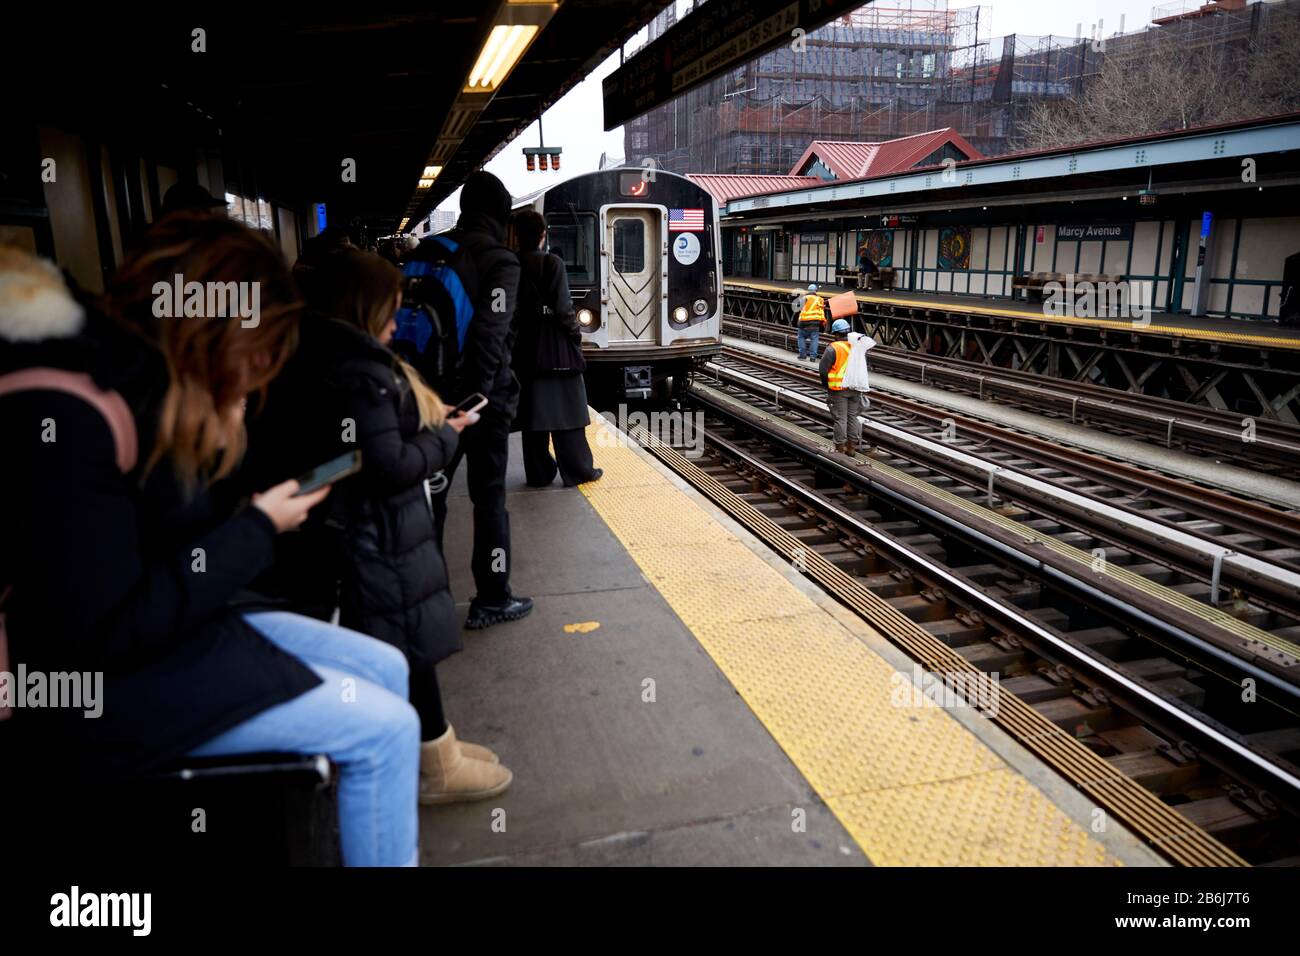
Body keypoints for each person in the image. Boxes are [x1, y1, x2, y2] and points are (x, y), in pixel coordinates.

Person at [0, 224, 420, 867]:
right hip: (82, 691)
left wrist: (247, 511)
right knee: (388, 731)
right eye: (257, 360)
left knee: (388, 669)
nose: (257, 383)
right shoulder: (74, 420)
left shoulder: (129, 378)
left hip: (152, 642)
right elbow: (105, 632)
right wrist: (255, 529)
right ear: (221, 335)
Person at [296, 247, 512, 803]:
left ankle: (433, 751)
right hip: (375, 534)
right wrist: (446, 433)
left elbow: (356, 454)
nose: (397, 322)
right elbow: (385, 464)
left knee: (400, 645)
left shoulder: (320, 352)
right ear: (363, 306)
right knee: (404, 645)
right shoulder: (360, 371)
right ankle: (435, 766)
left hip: (361, 529)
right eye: (389, 310)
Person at [425, 171, 534, 630]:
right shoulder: (500, 262)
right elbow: (491, 335)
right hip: (478, 404)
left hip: (427, 399)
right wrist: (475, 401)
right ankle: (492, 597)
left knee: (431, 495)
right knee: (489, 499)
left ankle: (425, 599)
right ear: (499, 214)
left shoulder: (430, 252)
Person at [510, 209, 601, 488]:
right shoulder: (552, 263)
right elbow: (564, 310)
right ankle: (577, 470)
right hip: (554, 350)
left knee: (532, 414)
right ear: (542, 235)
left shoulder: (511, 264)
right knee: (568, 411)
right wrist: (575, 335)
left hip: (523, 351)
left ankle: (538, 473)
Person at [819, 317, 876, 455]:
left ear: (836, 334)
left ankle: (839, 448)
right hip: (855, 388)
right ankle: (851, 448)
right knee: (852, 418)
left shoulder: (833, 348)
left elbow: (823, 370)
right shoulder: (857, 346)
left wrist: (826, 386)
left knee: (840, 418)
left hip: (838, 389)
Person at [794, 283, 826, 361]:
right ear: (816, 291)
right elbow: (821, 309)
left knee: (801, 337)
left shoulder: (804, 298)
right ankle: (813, 357)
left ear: (808, 291)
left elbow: (798, 307)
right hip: (815, 323)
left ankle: (802, 355)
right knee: (814, 339)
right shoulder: (820, 299)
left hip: (803, 322)